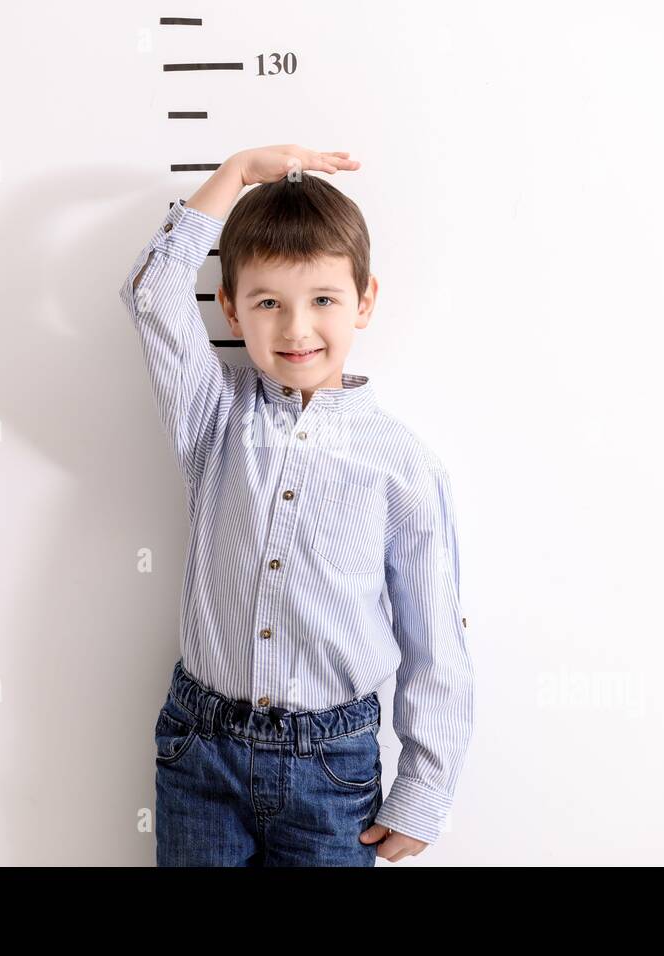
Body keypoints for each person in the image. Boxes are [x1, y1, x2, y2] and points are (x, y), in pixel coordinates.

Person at [118, 145, 474, 866]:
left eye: (322, 300)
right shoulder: (214, 416)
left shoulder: (402, 466)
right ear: (229, 307)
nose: (295, 329)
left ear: (364, 300)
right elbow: (153, 295)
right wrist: (235, 174)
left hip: (332, 768)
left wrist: (424, 788)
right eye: (268, 303)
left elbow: (436, 640)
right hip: (201, 751)